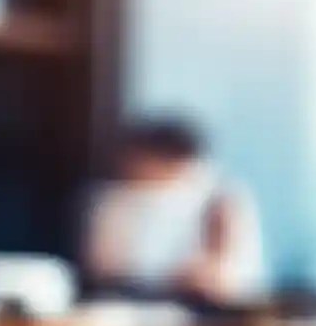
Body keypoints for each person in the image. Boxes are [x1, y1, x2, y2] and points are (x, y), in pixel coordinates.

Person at [84, 119, 265, 306]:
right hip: (129, 302)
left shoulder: (221, 198)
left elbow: (230, 279)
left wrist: (207, 274)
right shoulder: (113, 199)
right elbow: (102, 268)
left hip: (206, 308)